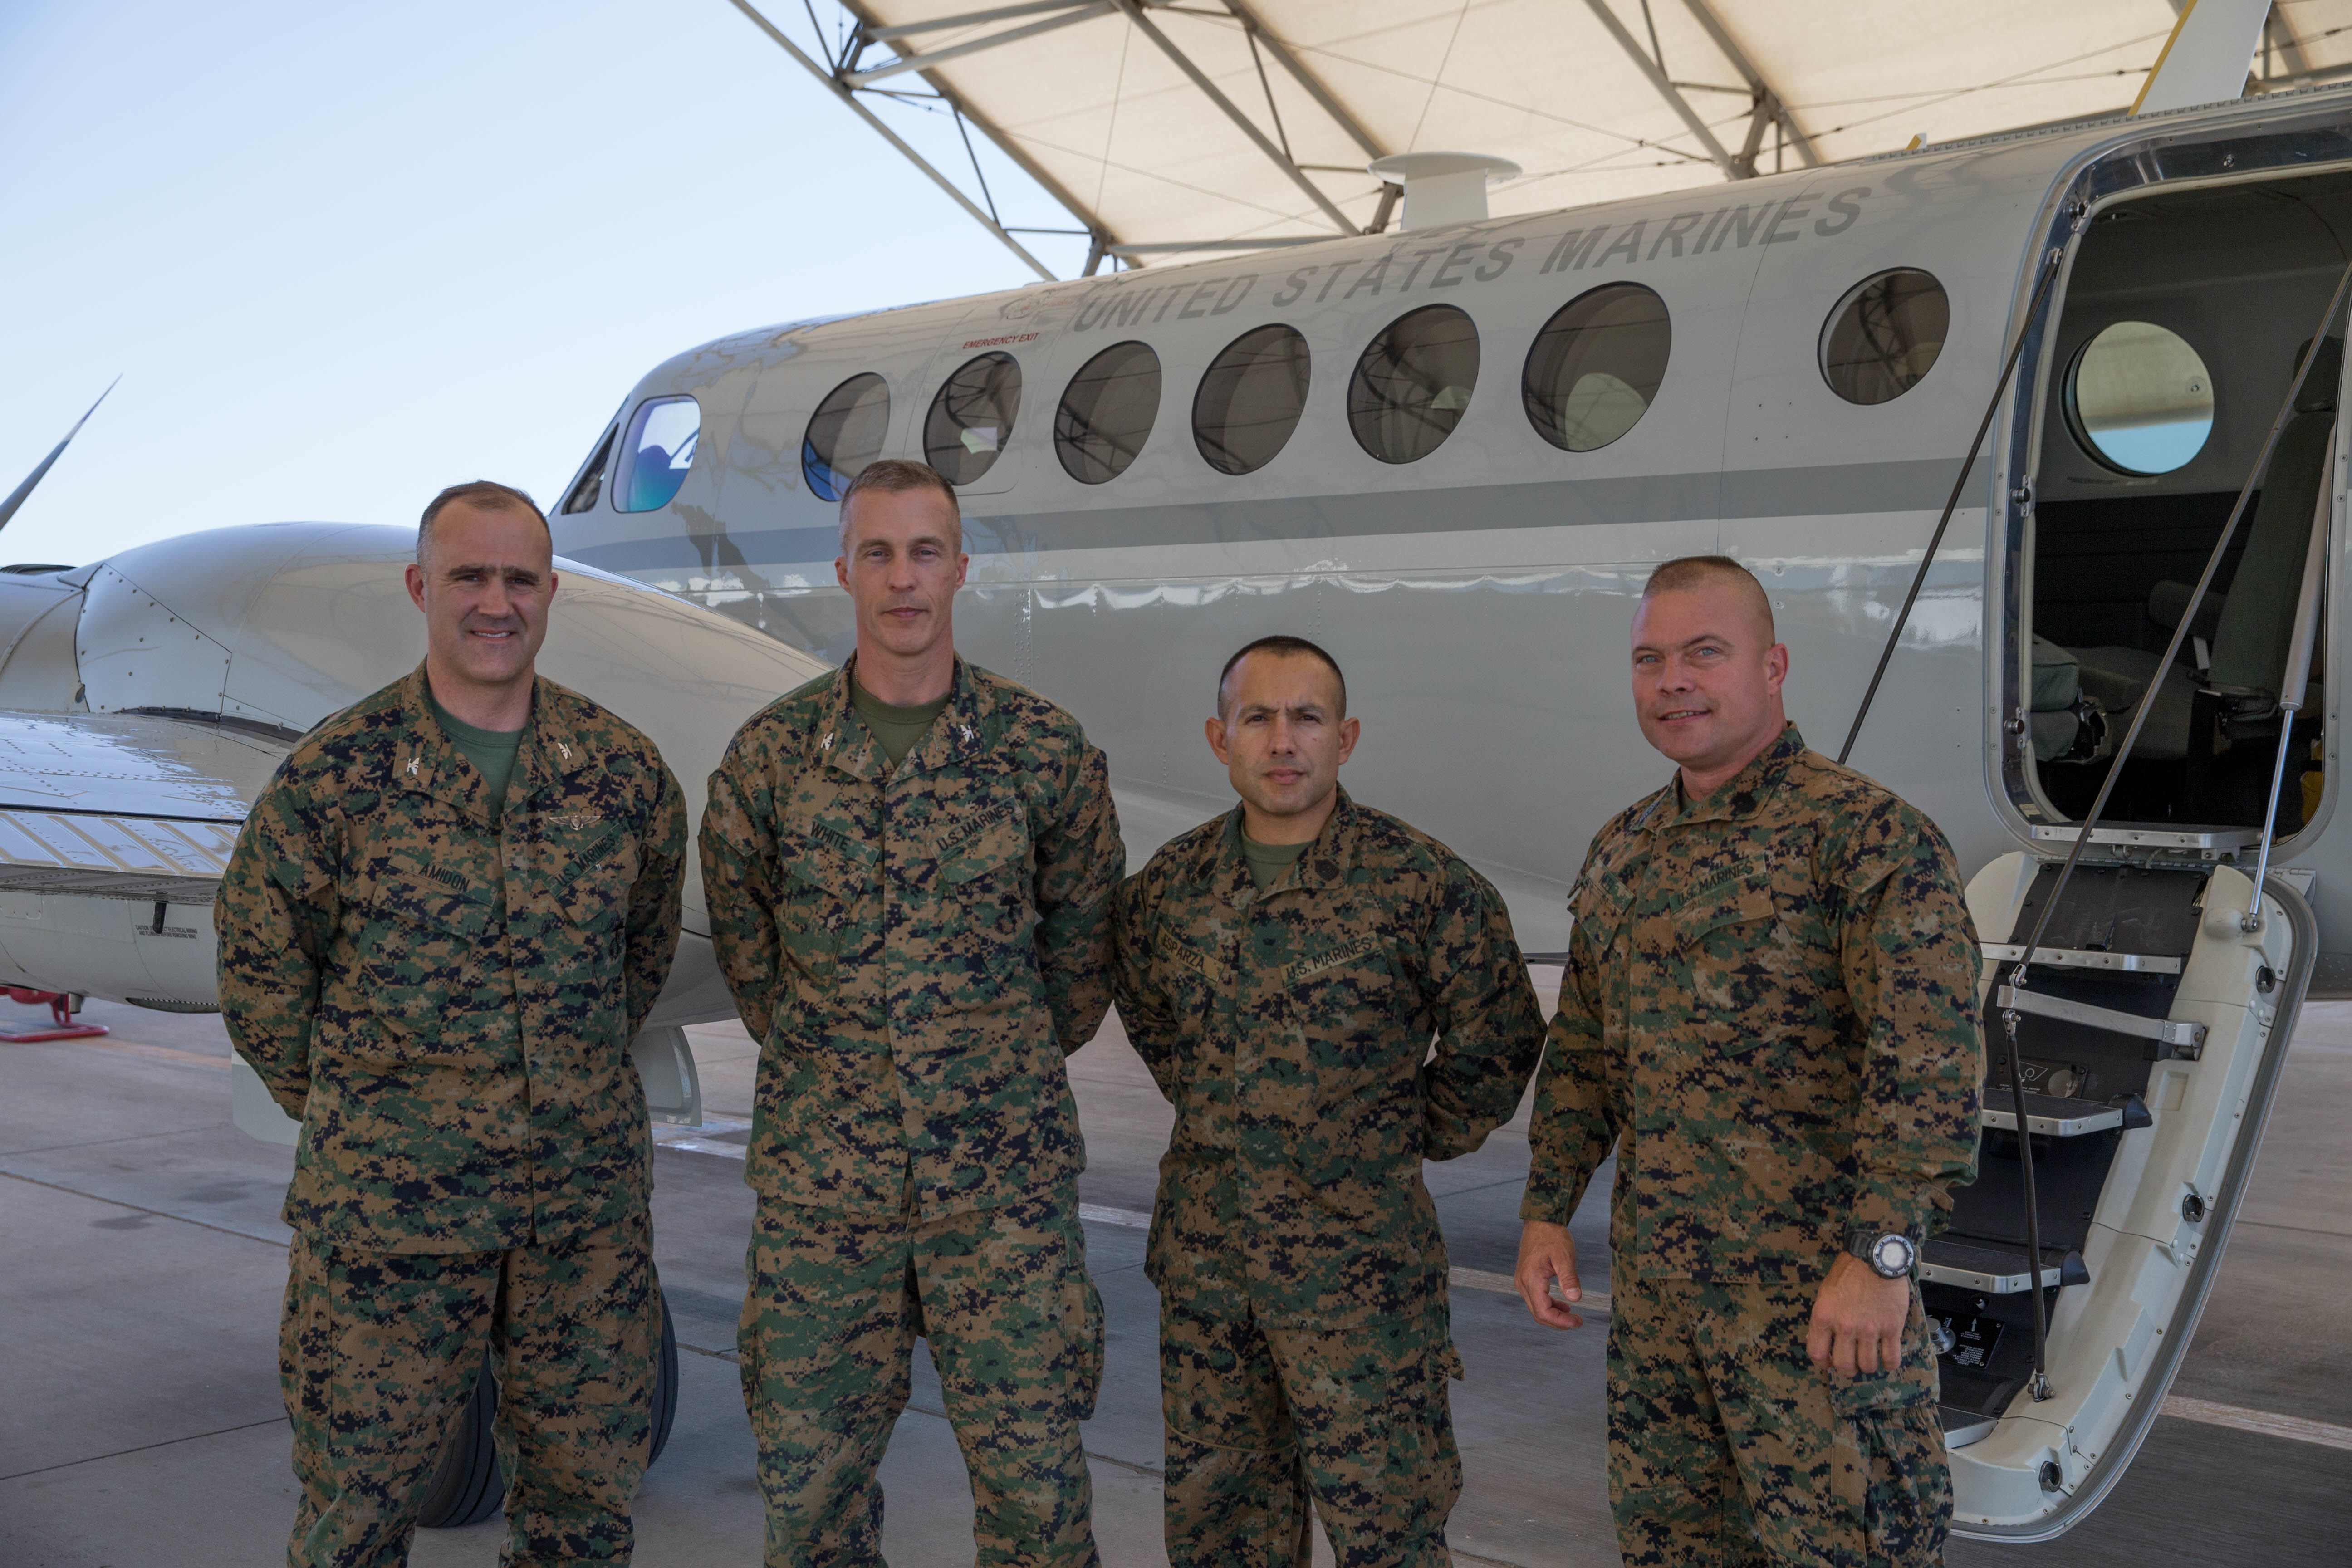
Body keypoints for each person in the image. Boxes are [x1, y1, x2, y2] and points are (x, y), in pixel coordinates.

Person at [217, 480, 688, 1566]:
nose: (495, 602)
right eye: (469, 576)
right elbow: (261, 975)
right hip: (388, 1226)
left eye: (519, 579)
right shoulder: (334, 780)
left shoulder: (620, 775)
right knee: (357, 1518)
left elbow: (640, 956)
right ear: (421, 587)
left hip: (580, 1223)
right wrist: (371, 1118)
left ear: (551, 594)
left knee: (583, 1518)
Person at [1512, 555, 1983, 1568]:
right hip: (1663, 1321)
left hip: (1822, 1316)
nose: (1672, 680)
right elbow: (1586, 1050)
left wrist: (1883, 1256)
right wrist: (1548, 1207)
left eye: (1703, 654)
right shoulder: (1625, 849)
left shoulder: (1866, 840)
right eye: (1650, 659)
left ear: (1772, 667)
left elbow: (1931, 1066)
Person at [700, 458, 1124, 1568]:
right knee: (810, 1506)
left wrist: (985, 1066)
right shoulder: (770, 762)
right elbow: (755, 964)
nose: (903, 579)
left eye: (924, 552)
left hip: (1004, 1195)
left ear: (961, 570)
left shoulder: (1043, 753)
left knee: (1040, 1506)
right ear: (844, 571)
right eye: (878, 553)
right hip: (822, 1199)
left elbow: (1080, 964)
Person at [1112, 635, 1547, 1568]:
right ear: (1217, 737)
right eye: (1257, 717)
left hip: (1364, 1288)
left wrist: (1397, 1132)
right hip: (1210, 1283)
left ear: (1344, 738)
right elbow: (1152, 1017)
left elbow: (1500, 1038)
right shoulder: (1168, 894)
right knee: (1219, 1534)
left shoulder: (1420, 884)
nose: (1283, 740)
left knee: (1389, 1535)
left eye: (1306, 717)